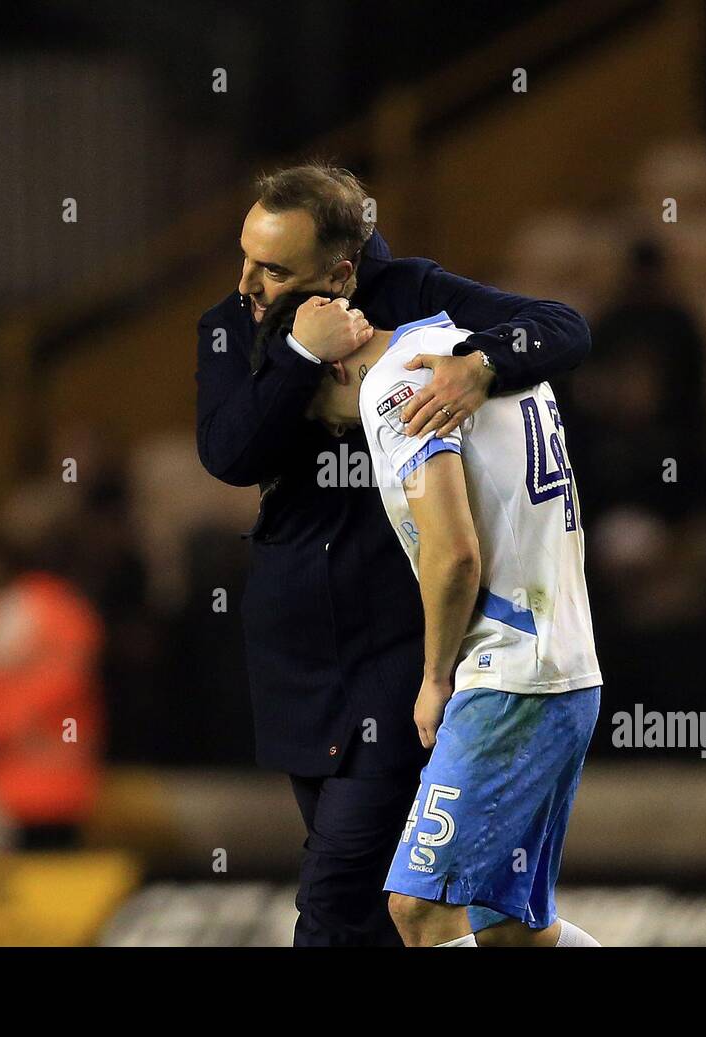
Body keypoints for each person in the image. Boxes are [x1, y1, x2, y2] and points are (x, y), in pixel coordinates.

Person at [194, 162, 592, 945]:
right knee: (485, 922)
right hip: (303, 657)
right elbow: (230, 451)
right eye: (245, 256)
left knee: (348, 904)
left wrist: (481, 364)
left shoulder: (411, 316)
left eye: (274, 268)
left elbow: (561, 327)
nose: (248, 282)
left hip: (408, 649)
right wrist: (295, 359)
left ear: (341, 273)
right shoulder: (232, 321)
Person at [269, 292, 603, 947]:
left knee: (419, 910)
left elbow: (453, 555)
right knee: (507, 928)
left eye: (320, 417)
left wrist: (433, 676)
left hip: (509, 673)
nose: (338, 433)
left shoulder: (395, 383)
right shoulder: (478, 350)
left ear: (336, 371)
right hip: (561, 669)